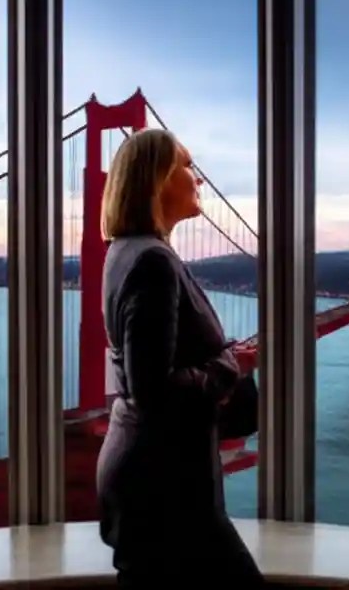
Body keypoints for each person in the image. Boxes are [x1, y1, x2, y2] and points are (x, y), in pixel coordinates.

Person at [96, 128, 263, 588]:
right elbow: (153, 390)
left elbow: (144, 372)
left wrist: (221, 359)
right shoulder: (154, 261)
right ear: (158, 180)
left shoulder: (123, 252)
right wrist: (229, 366)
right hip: (166, 490)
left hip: (149, 482)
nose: (199, 179)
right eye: (188, 166)